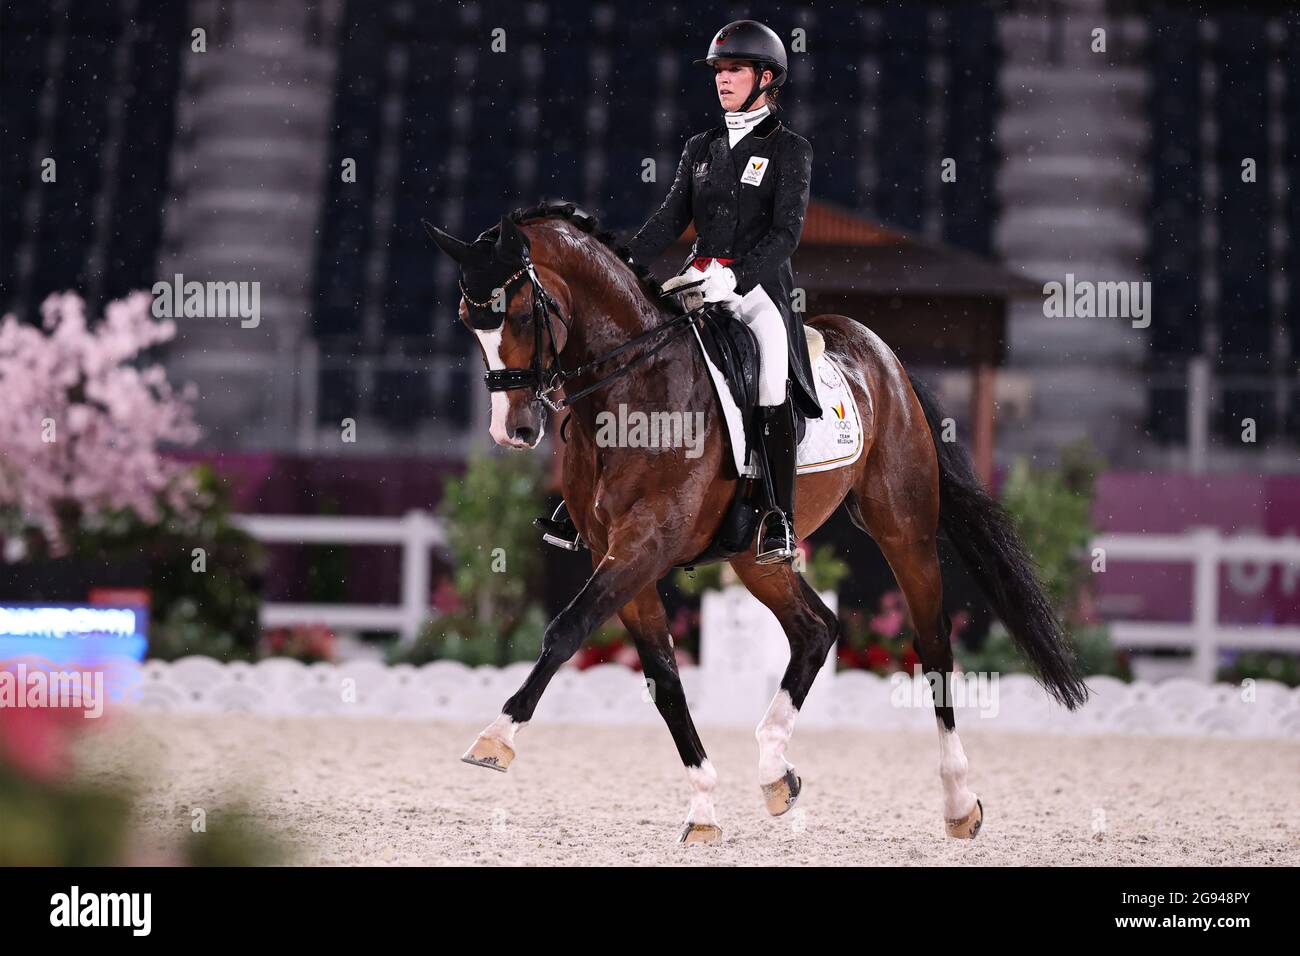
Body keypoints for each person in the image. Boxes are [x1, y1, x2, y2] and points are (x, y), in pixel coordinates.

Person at [539, 19, 821, 565]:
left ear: (766, 77)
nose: (723, 79)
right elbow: (669, 220)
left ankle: (779, 518)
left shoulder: (790, 150)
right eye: (719, 71)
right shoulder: (703, 147)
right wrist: (614, 268)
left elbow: (786, 233)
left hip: (757, 289)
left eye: (734, 69)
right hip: (697, 280)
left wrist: (737, 277)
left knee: (770, 377)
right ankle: (582, 499)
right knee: (634, 353)